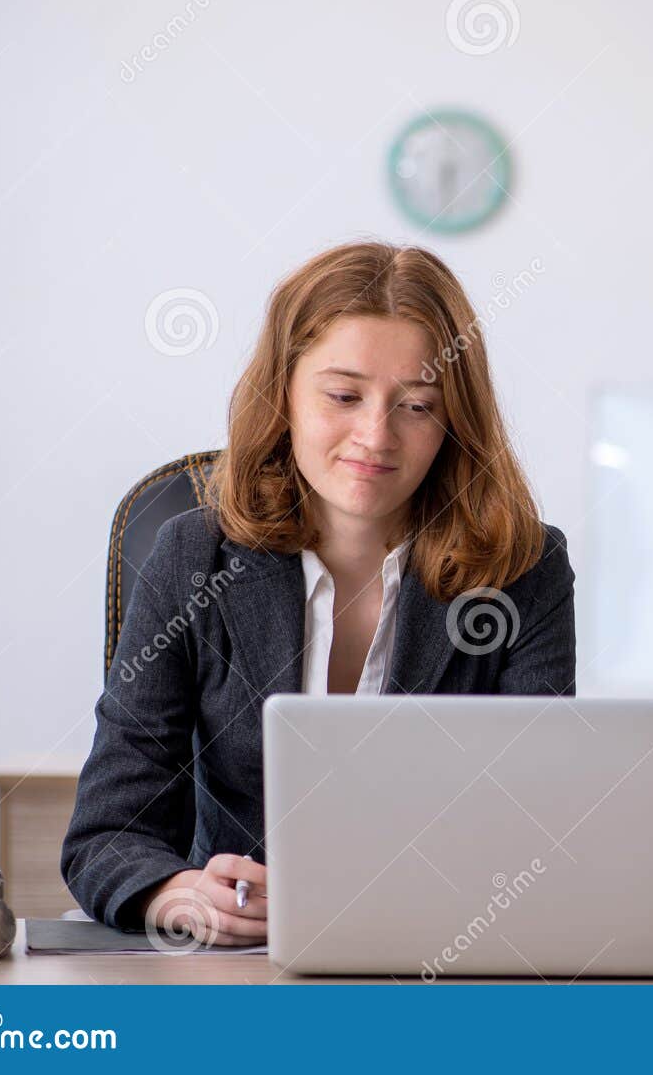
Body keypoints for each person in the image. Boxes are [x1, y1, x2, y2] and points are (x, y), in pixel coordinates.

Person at [61, 241, 576, 945]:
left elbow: (540, 827)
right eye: (343, 395)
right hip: (244, 968)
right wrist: (178, 893)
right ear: (284, 394)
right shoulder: (194, 556)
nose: (375, 436)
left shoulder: (525, 566)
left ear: (452, 422)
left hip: (444, 955)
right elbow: (107, 833)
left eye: (417, 405)